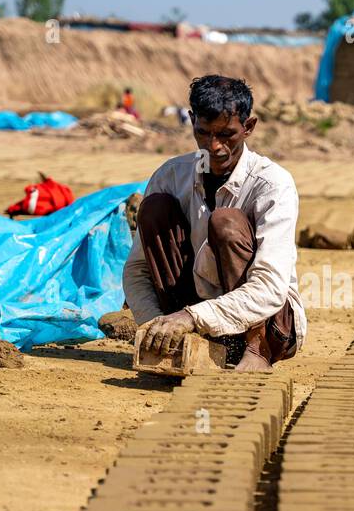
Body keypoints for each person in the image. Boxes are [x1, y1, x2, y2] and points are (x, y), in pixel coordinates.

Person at [122, 75, 305, 372]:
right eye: (203, 133)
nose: (215, 146)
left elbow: (270, 287)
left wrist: (193, 317)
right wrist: (154, 325)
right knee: (154, 208)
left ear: (249, 127)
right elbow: (137, 269)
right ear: (192, 121)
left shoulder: (273, 184)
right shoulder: (171, 176)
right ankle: (189, 344)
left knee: (226, 223)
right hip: (195, 315)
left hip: (270, 325)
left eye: (227, 134)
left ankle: (255, 351)